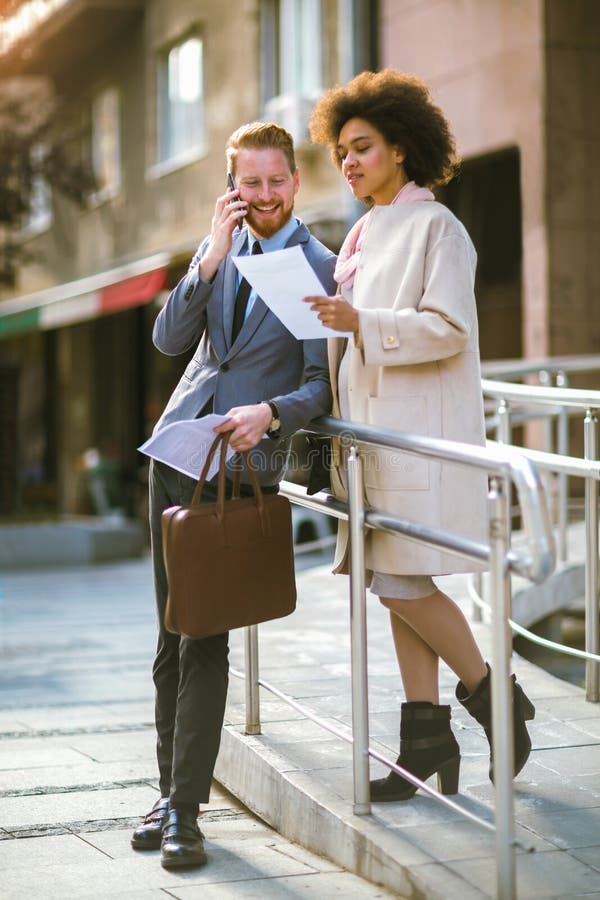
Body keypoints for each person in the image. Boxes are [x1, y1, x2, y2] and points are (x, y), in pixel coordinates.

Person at [305, 70, 535, 802]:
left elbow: (449, 328)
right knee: (398, 586)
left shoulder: (439, 227)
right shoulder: (365, 232)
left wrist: (360, 324)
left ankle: (496, 698)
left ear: (401, 149)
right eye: (341, 150)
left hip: (416, 445)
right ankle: (426, 739)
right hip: (372, 445)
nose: (349, 162)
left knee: (402, 584)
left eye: (362, 147)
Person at [132, 122, 335, 866]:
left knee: (205, 633)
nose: (264, 196)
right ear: (233, 188)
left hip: (239, 466)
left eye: (276, 181)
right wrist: (208, 262)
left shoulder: (320, 266)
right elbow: (167, 341)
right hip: (176, 453)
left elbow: (321, 382)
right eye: (249, 184)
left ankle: (187, 813)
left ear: (295, 181)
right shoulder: (222, 251)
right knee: (167, 632)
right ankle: (165, 792)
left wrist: (272, 414)